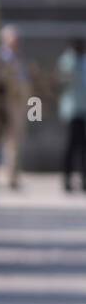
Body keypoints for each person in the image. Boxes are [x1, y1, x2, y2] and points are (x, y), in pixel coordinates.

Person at [0, 24, 31, 189]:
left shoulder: (19, 58)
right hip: (4, 105)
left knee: (15, 143)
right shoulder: (1, 58)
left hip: (17, 106)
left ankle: (13, 177)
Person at [60, 38, 86, 191]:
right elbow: (64, 80)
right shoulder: (67, 61)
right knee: (71, 146)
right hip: (71, 110)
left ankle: (83, 179)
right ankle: (67, 179)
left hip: (84, 110)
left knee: (84, 147)